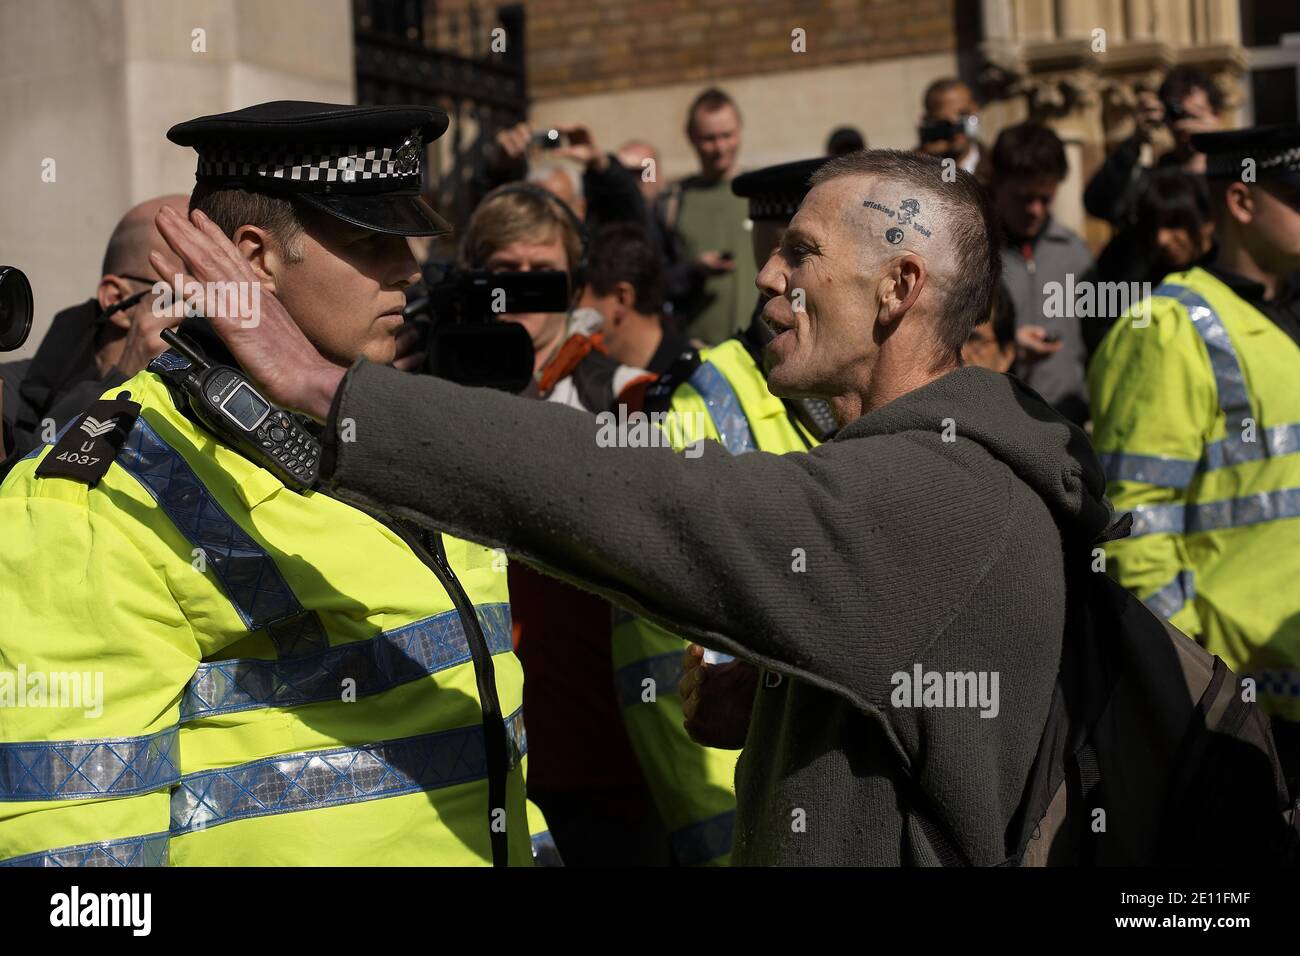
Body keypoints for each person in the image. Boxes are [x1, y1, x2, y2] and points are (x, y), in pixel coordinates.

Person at [157, 148, 1118, 866]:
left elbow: (653, 498)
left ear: (900, 288)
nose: (769, 278)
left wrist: (327, 391)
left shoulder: (936, 490)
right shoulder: (939, 468)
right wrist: (798, 693)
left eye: (800, 253)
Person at [0, 101, 536, 867]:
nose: (409, 270)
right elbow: (72, 850)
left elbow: (490, 730)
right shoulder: (99, 493)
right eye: (369, 242)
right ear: (254, 257)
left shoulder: (406, 434)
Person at [458, 182, 667, 865]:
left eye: (538, 274)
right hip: (475, 750)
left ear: (575, 284)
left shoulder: (629, 397)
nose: (520, 290)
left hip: (600, 754)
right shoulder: (431, 396)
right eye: (503, 273)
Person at [1089, 124, 1300, 778]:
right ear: (1241, 203)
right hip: (1247, 717)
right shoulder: (1170, 327)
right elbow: (1133, 527)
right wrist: (1200, 685)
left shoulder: (1283, 320)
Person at [4, 195, 189, 460]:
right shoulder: (10, 400)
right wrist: (124, 386)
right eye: (188, 295)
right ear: (118, 300)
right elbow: (24, 489)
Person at [989, 121, 1094, 424]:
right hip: (998, 421)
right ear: (998, 184)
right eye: (1023, 198)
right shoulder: (974, 254)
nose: (1035, 210)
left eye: (1045, 199)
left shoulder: (1075, 252)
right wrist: (1006, 345)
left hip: (1068, 421)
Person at [660, 88, 757, 346]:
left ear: (740, 130)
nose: (720, 147)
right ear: (690, 137)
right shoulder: (673, 201)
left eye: (727, 135)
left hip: (760, 347)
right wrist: (693, 271)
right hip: (700, 349)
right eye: (709, 138)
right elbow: (657, 281)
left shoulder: (760, 191)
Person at [1083, 66, 1223, 227]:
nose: (1185, 124)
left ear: (1216, 115)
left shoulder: (1235, 167)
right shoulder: (1156, 179)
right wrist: (1134, 144)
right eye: (1179, 115)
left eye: (1195, 115)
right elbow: (1097, 205)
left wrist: (1218, 143)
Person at [577, 222, 689, 374]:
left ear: (621, 299)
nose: (574, 312)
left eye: (578, 298)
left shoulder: (690, 384)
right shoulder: (600, 383)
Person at [915, 78, 985, 178]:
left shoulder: (999, 165)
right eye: (946, 122)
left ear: (975, 109)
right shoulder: (916, 169)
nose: (958, 126)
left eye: (963, 114)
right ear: (929, 120)